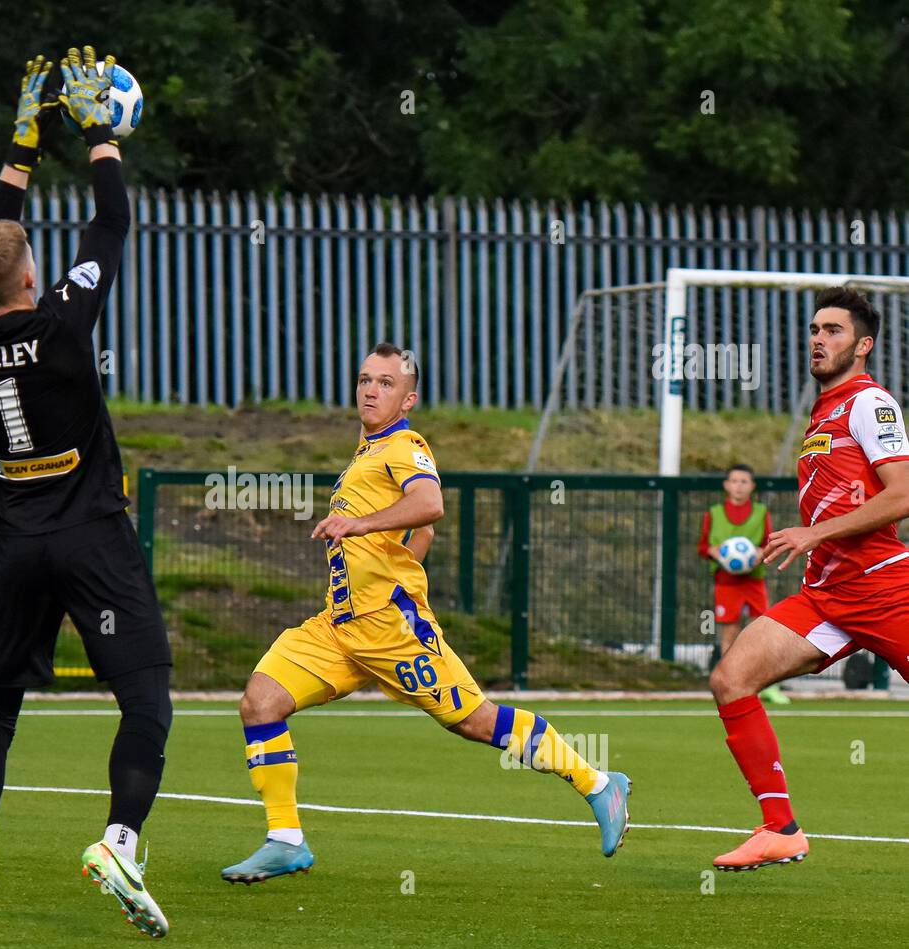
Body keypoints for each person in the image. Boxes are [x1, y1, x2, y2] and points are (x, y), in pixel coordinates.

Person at [220, 344, 632, 884]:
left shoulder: (405, 444)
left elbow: (430, 506)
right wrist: (392, 566)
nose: (370, 389)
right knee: (260, 702)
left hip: (393, 633)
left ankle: (599, 784)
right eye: (365, 378)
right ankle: (285, 839)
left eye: (386, 382)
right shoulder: (364, 455)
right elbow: (424, 533)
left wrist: (364, 534)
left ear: (407, 397)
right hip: (338, 628)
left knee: (476, 723)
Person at [0, 48, 172, 936]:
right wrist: (99, 133)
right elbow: (110, 224)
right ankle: (118, 838)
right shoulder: (65, 324)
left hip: (15, 542)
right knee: (146, 694)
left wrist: (20, 149)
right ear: (33, 274)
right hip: (90, 534)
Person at [709, 287, 909, 871]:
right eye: (816, 329)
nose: (819, 339)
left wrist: (814, 533)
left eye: (834, 330)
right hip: (826, 596)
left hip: (882, 587)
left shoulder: (870, 404)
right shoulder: (823, 410)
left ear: (863, 345)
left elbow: (902, 495)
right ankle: (781, 829)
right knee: (732, 678)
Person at [697, 464, 789, 705]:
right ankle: (730, 683)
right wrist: (715, 552)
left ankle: (768, 685)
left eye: (744, 482)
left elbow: (769, 544)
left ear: (752, 487)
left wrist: (759, 553)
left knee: (762, 631)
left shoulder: (761, 512)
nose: (738, 486)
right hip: (726, 583)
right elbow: (703, 547)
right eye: (734, 481)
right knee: (729, 633)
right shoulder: (714, 513)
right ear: (726, 485)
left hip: (754, 580)